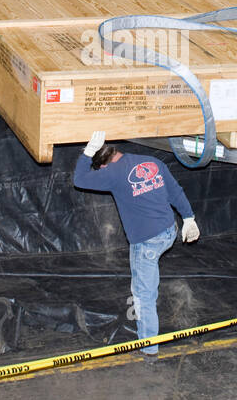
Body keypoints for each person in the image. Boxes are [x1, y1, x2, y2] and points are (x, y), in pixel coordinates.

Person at [73, 131, 200, 359]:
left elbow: (79, 179)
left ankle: (149, 349)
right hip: (168, 232)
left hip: (147, 242)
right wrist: (189, 218)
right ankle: (149, 339)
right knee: (146, 284)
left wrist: (87, 153)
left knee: (143, 296)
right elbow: (174, 191)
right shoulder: (152, 161)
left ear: (102, 165)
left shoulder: (111, 173)